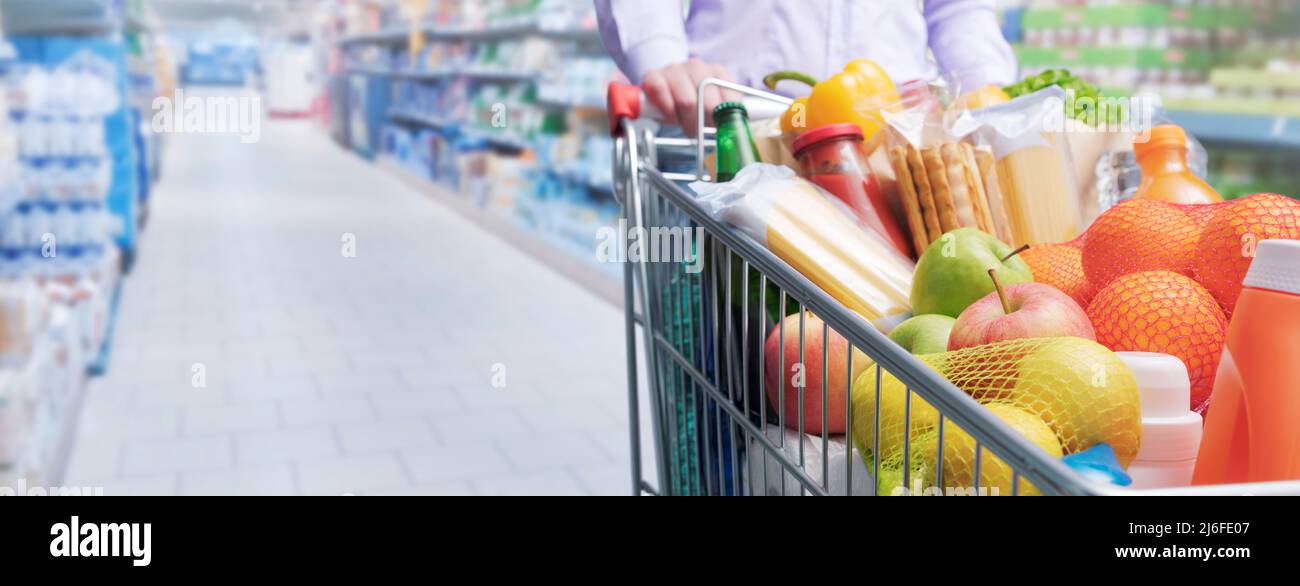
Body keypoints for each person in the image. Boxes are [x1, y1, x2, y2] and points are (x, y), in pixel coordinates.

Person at [596, 0, 1018, 137]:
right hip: (727, 129)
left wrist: (991, 101)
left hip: (889, 144)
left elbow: (958, 10)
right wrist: (664, 63)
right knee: (721, 328)